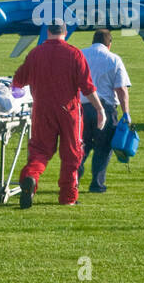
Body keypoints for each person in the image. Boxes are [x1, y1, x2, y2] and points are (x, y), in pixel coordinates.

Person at [13, 22, 105, 207]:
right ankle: (68, 197)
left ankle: (31, 176)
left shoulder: (35, 53)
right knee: (72, 155)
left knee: (39, 151)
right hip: (68, 110)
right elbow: (87, 87)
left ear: (48, 32)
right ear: (65, 32)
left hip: (42, 110)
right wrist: (99, 108)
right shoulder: (74, 53)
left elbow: (18, 81)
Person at [77, 29, 132, 193]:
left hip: (82, 108)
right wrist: (126, 113)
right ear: (109, 44)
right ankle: (97, 183)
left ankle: (73, 181)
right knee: (103, 147)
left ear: (93, 40)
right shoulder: (114, 59)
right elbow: (121, 89)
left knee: (81, 147)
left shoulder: (80, 55)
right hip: (106, 108)